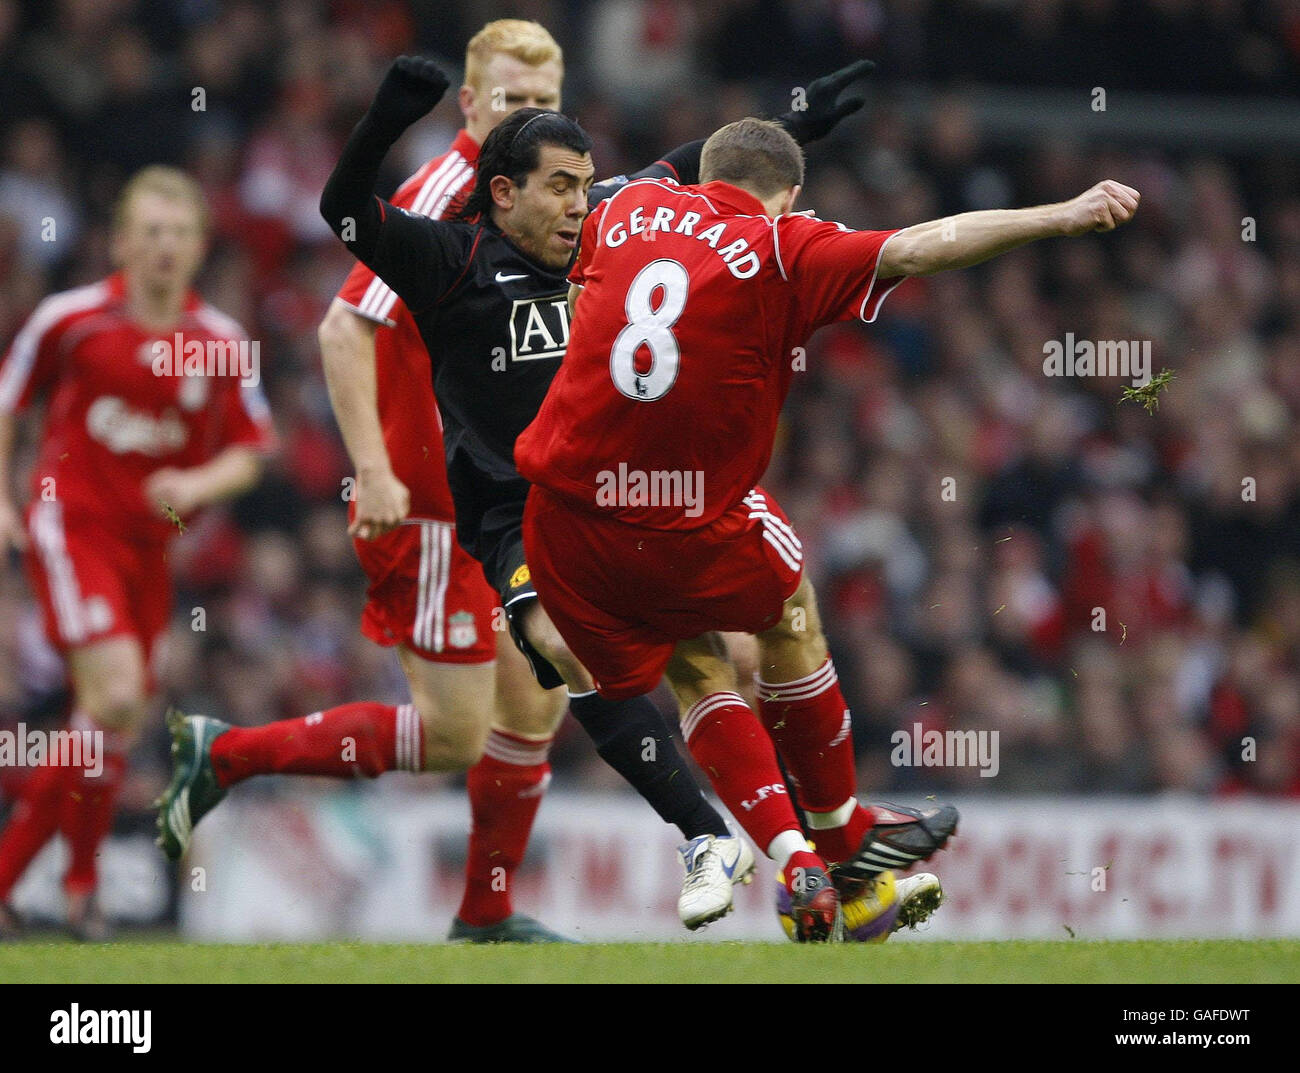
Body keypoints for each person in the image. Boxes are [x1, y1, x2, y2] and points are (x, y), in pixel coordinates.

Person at [308, 53, 897, 935]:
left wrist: (791, 123)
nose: (582, 202)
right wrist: (386, 121)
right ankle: (720, 837)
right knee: (562, 649)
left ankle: (812, 848)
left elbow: (684, 166)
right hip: (517, 512)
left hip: (627, 497)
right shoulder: (448, 260)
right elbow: (345, 213)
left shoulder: (604, 223)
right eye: (560, 187)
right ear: (502, 193)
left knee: (723, 656)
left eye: (587, 184)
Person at [515, 117, 1140, 939]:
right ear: (791, 194)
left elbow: (548, 226)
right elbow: (921, 246)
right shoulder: (783, 245)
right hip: (680, 522)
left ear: (702, 173)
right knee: (792, 603)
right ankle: (843, 835)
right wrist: (1060, 214)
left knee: (699, 666)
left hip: (559, 522)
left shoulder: (627, 204)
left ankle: (804, 868)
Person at [0, 165, 273, 940]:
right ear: (120, 241)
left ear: (198, 246)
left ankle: (78, 890)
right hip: (70, 525)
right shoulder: (71, 319)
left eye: (178, 232)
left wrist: (195, 480)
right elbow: (7, 400)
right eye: (148, 231)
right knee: (117, 691)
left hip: (149, 549)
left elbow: (253, 451)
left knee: (110, 719)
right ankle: (27, 878)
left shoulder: (220, 341)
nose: (162, 246)